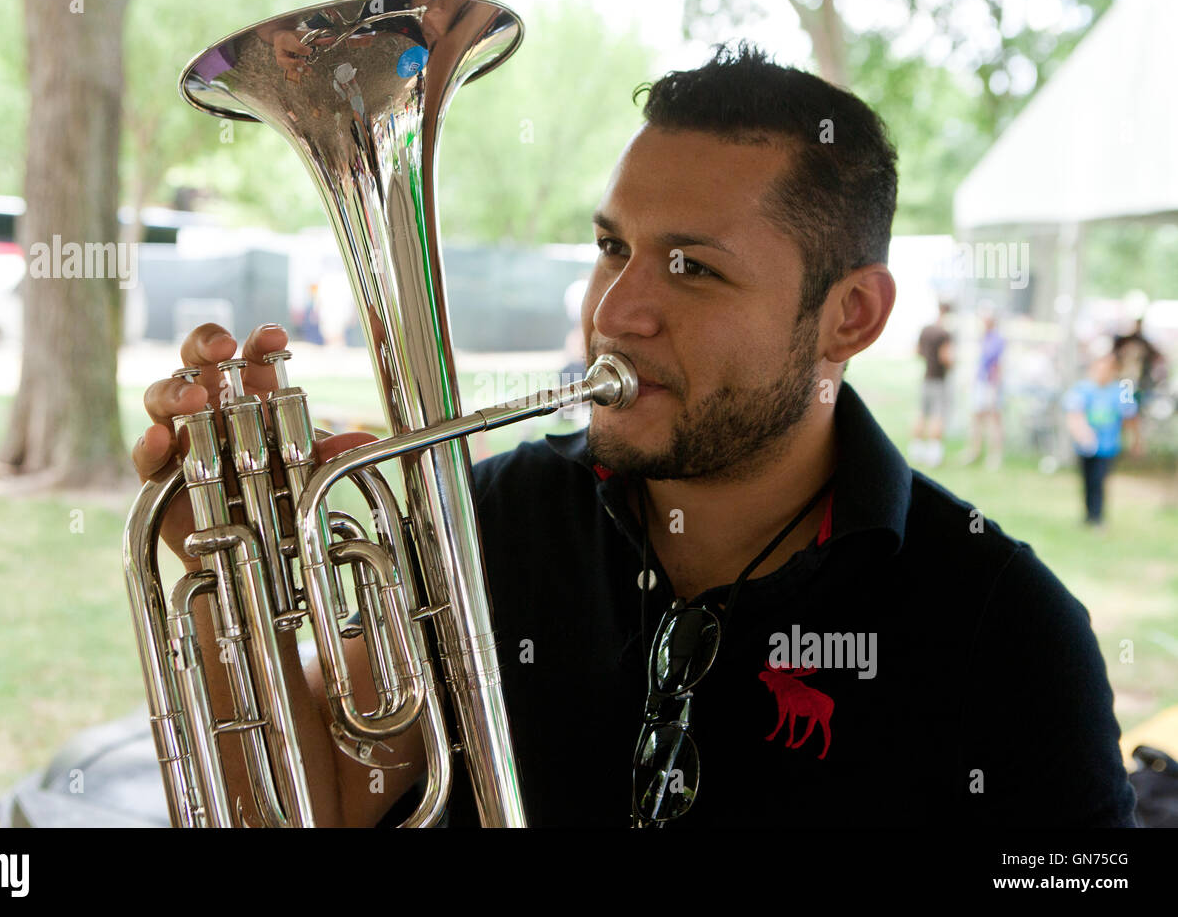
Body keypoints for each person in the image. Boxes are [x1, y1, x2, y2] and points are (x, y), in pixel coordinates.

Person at [132, 44, 1136, 827]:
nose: (618, 310)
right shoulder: (491, 515)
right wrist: (233, 587)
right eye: (613, 246)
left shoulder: (1006, 629)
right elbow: (333, 803)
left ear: (851, 318)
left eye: (692, 267)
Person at [1063, 339, 1139, 527]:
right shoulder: (1083, 389)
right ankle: (1088, 515)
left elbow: (1131, 417)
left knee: (1099, 481)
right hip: (1085, 446)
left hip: (1107, 446)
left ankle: (1097, 517)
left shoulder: (1122, 390)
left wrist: (1136, 441)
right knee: (1087, 481)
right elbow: (1074, 414)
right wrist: (1083, 434)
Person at [1112, 316, 1165, 458]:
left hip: (1136, 384)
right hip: (1126, 384)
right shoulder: (1125, 341)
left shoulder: (1144, 344)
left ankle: (1136, 446)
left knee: (1134, 415)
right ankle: (1127, 445)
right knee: (1127, 413)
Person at [959, 302, 1004, 469]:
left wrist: (995, 387)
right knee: (976, 418)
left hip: (990, 384)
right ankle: (974, 451)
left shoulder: (997, 339)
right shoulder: (982, 338)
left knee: (993, 420)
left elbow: (997, 365)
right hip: (979, 383)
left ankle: (994, 456)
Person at [909, 300, 953, 468]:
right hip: (939, 380)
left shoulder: (926, 330)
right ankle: (933, 454)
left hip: (926, 377)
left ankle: (916, 449)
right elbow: (946, 358)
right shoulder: (944, 334)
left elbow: (917, 351)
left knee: (921, 413)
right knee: (937, 415)